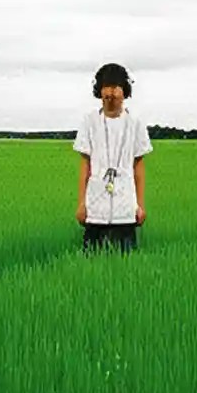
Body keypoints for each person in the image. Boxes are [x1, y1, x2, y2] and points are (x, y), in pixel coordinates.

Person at [74, 63, 153, 253]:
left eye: (115, 87)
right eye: (106, 87)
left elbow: (138, 166)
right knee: (91, 259)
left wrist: (140, 205)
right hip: (95, 204)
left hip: (125, 205)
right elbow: (85, 165)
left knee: (125, 261)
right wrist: (82, 204)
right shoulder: (89, 122)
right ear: (99, 90)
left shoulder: (135, 123)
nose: (110, 93)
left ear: (124, 90)